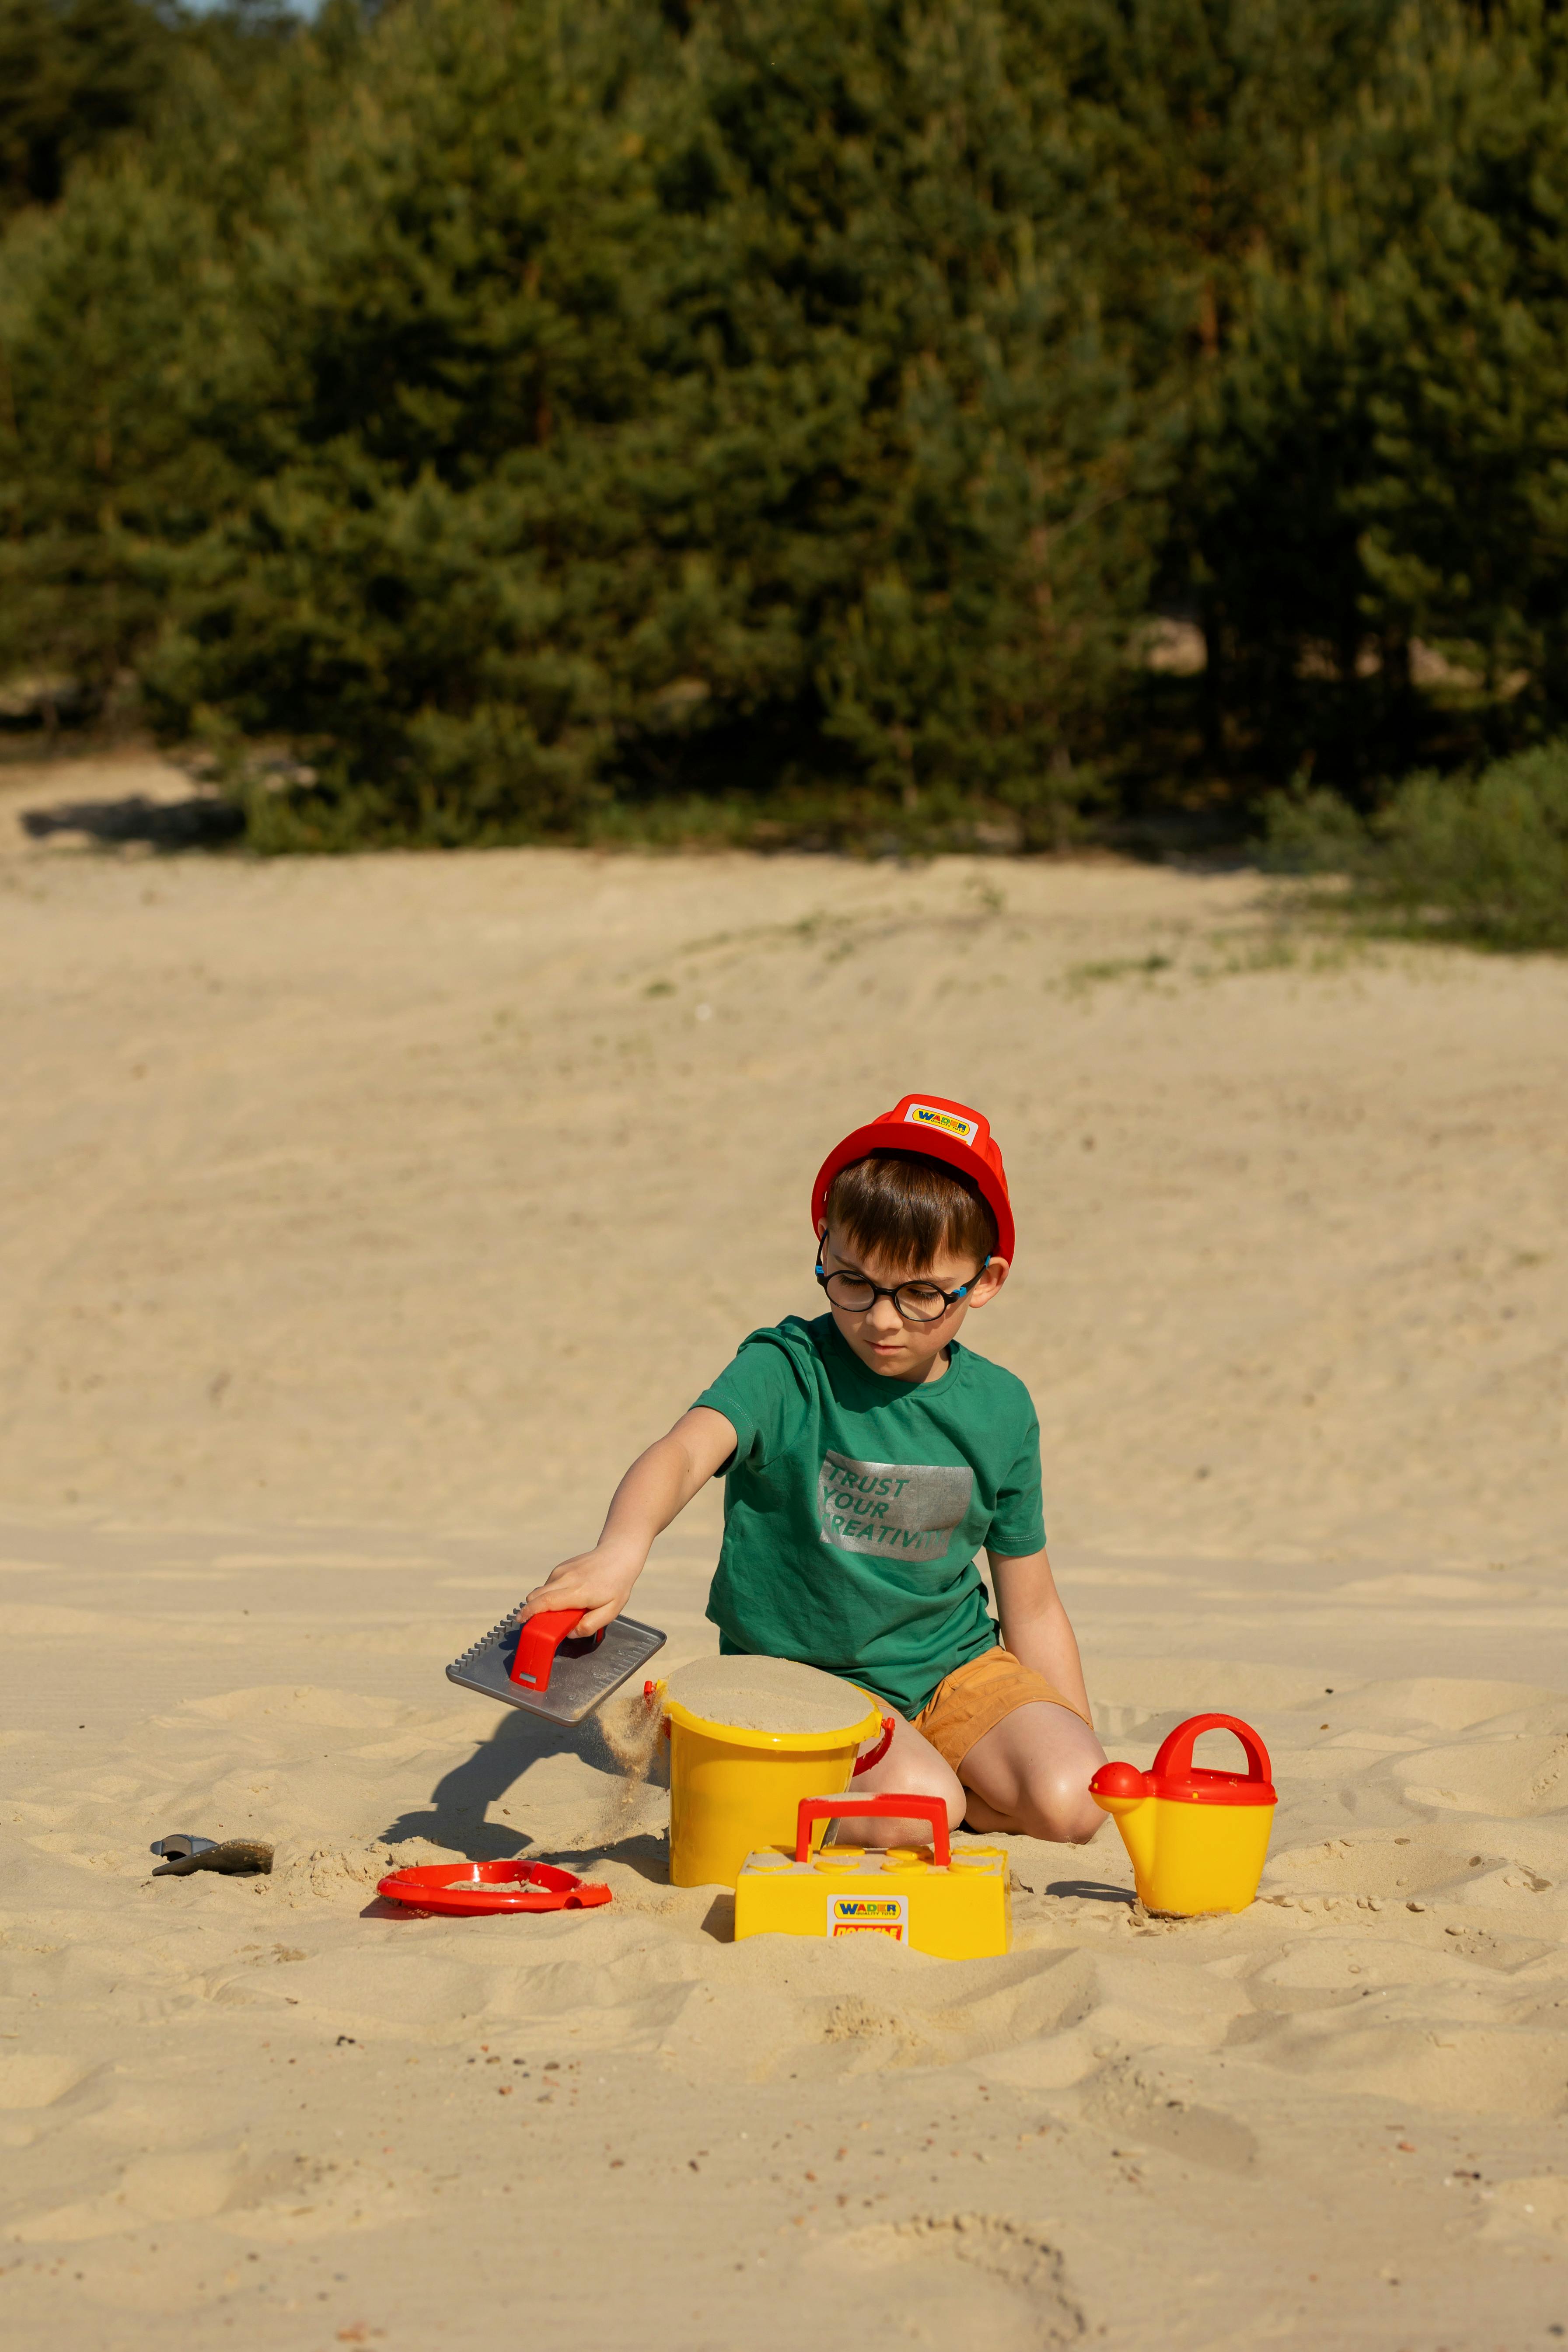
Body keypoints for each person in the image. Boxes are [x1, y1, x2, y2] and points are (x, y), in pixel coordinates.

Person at [524, 1094, 1107, 1848]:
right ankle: (760, 1747)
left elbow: (1030, 1607)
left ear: (985, 1280)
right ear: (825, 1246)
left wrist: (1070, 1731)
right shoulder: (786, 1367)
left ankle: (917, 1768)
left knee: (1073, 1802)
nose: (882, 1318)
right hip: (806, 1676)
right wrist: (621, 1546)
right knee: (925, 1810)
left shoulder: (1000, 1407)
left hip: (953, 1668)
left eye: (922, 1292)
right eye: (853, 1280)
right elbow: (683, 1452)